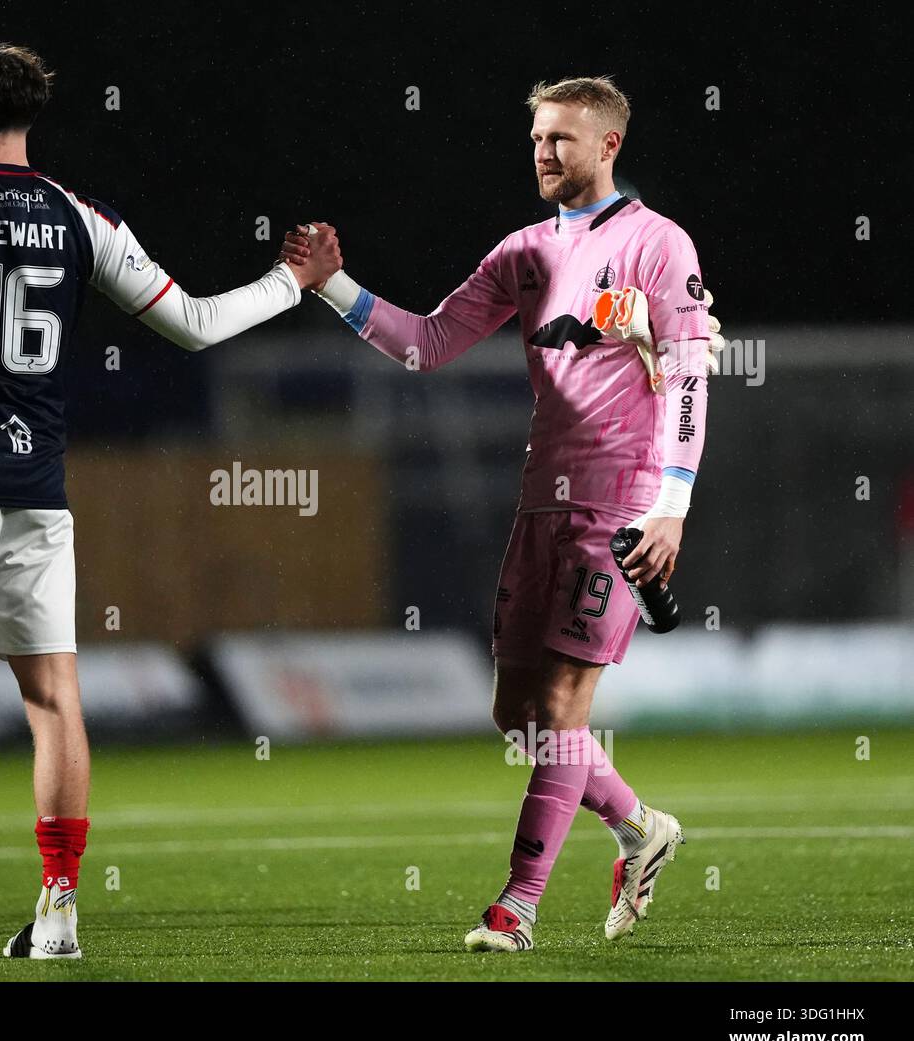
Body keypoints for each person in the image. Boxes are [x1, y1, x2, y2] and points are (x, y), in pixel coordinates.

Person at [0, 42, 341, 963]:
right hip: (39, 494)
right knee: (53, 701)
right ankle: (58, 916)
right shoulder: (84, 218)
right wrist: (294, 282)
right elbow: (195, 325)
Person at [281, 75, 722, 950]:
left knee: (560, 710)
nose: (543, 153)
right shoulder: (522, 251)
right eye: (536, 139)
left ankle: (515, 907)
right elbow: (429, 343)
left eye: (561, 138)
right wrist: (334, 286)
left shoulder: (658, 244)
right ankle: (640, 827)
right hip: (542, 501)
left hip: (622, 504)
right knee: (516, 716)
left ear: (609, 146)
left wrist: (671, 506)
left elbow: (689, 373)